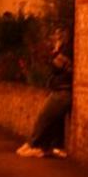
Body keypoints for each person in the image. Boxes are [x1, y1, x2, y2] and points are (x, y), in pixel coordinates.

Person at [17, 30, 73, 158]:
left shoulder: (68, 48)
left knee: (44, 117)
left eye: (60, 34)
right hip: (60, 89)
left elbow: (55, 66)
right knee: (51, 120)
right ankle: (44, 146)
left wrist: (56, 53)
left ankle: (35, 145)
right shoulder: (67, 47)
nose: (58, 37)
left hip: (63, 90)